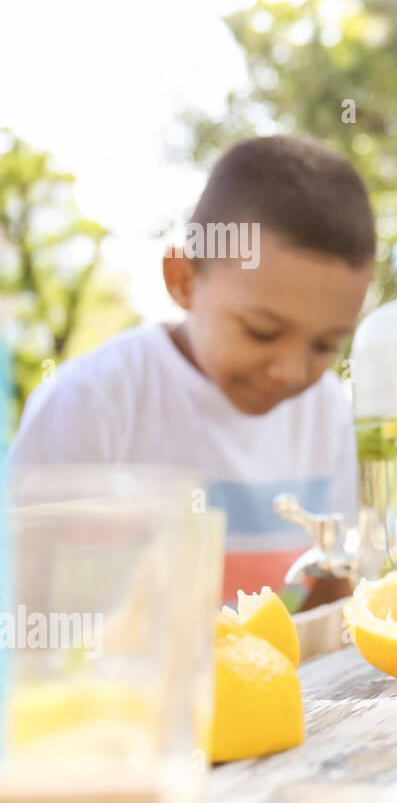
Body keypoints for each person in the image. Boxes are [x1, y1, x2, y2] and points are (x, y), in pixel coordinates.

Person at [6, 135, 375, 599]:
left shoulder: (330, 413)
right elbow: (18, 584)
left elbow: (332, 585)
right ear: (182, 280)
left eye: (325, 344)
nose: (289, 370)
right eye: (262, 332)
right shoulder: (92, 401)